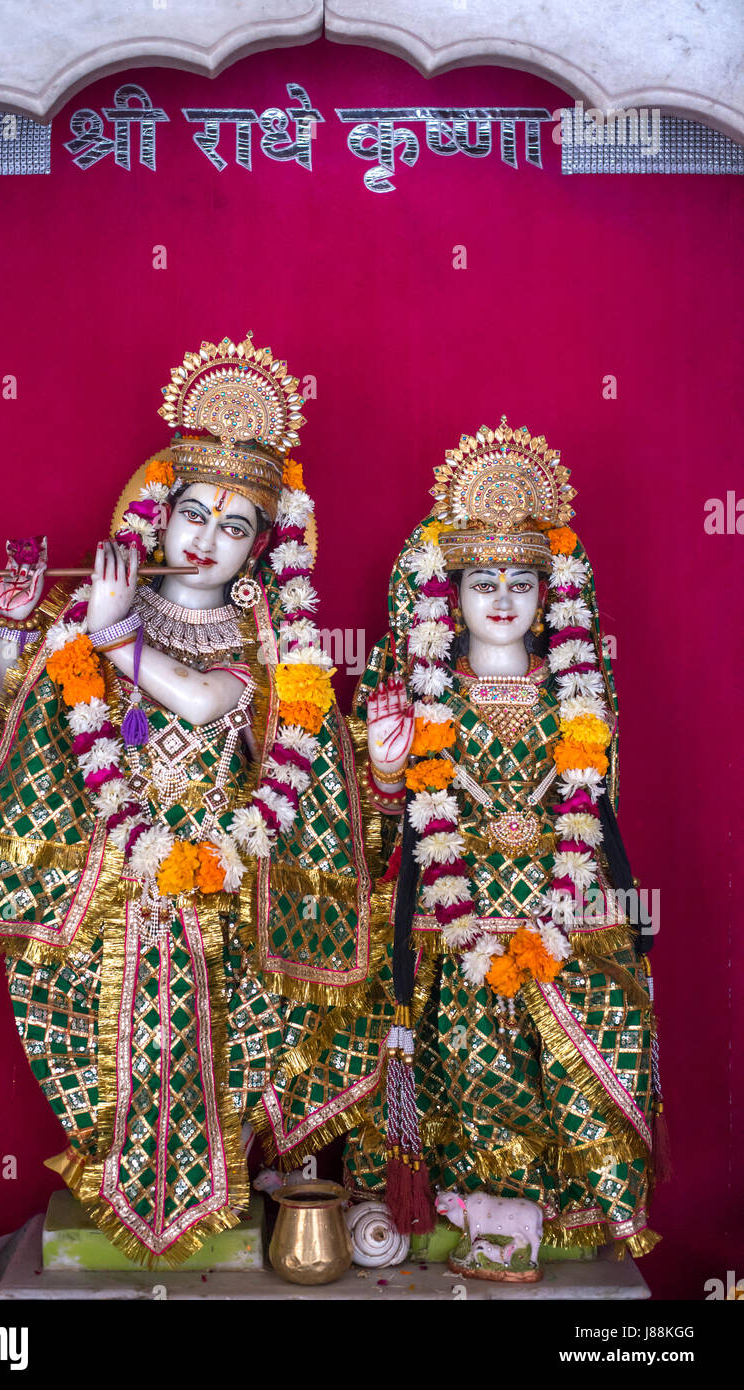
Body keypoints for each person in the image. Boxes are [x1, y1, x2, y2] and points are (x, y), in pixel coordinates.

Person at [0, 334, 386, 1266]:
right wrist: (15, 638)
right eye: (191, 514)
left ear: (261, 549)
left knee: (216, 1058)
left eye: (233, 526)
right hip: (112, 879)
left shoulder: (266, 636)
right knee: (99, 1052)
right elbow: (21, 718)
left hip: (222, 879)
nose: (203, 540)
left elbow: (209, 701)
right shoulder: (96, 615)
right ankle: (119, 1206)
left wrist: (113, 638)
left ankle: (218, 1205)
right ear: (157, 520)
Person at [266, 417, 663, 1258]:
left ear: (552, 594)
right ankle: (445, 1212)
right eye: (481, 578)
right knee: (450, 1064)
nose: (502, 599)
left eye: (523, 580)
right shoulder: (412, 689)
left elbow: (596, 815)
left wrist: (563, 918)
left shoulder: (580, 696)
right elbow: (372, 826)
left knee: (575, 1050)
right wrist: (380, 769)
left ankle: (558, 1220)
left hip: (561, 920)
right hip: (447, 917)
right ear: (447, 591)